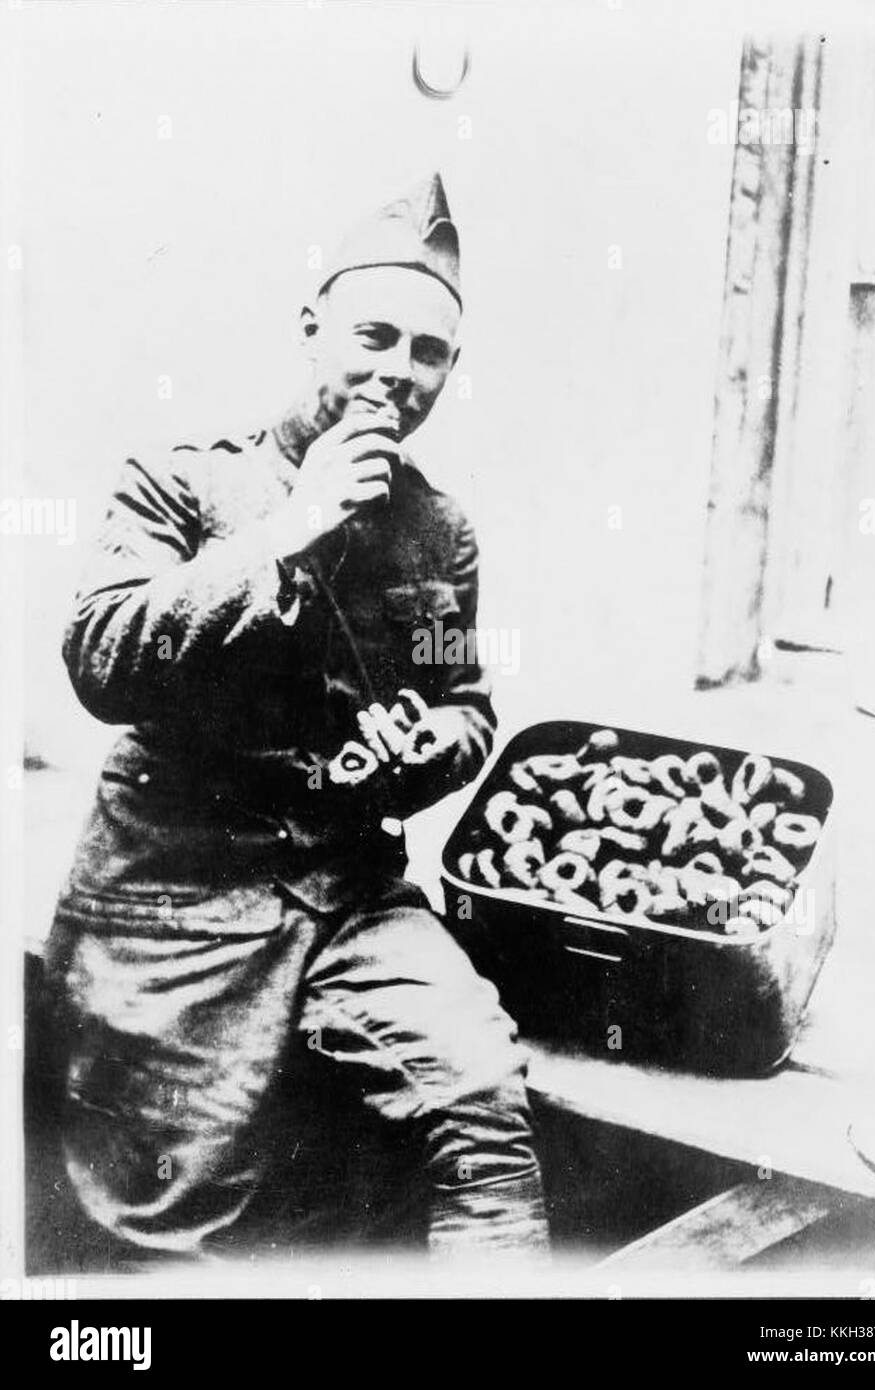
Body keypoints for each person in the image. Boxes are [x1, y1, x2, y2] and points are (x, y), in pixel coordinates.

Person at [45, 174, 549, 1261]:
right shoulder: (179, 485)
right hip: (172, 897)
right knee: (168, 1214)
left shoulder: (437, 531)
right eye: (374, 336)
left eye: (430, 354)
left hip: (348, 889)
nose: (398, 374)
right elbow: (100, 659)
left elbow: (465, 705)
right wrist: (293, 524)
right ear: (310, 330)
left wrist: (423, 751)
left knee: (483, 1112)